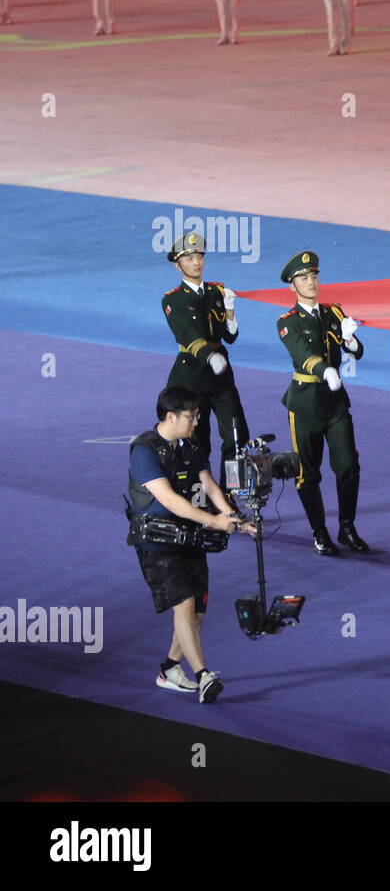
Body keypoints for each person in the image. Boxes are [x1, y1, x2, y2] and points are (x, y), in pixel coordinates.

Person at [127, 386, 255, 703]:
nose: (196, 421)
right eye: (191, 416)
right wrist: (213, 522)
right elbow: (170, 500)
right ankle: (203, 675)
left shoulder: (191, 444)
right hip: (157, 540)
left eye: (197, 415)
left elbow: (209, 486)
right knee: (183, 605)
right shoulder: (144, 451)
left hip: (190, 538)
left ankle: (170, 668)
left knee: (196, 614)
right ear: (171, 416)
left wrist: (235, 518)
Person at [275, 251, 368, 556]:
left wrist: (351, 341)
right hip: (305, 403)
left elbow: (356, 352)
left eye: (313, 276)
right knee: (308, 472)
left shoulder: (334, 313)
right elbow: (302, 353)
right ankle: (319, 532)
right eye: (303, 278)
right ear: (293, 286)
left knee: (348, 466)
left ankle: (347, 527)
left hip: (335, 403)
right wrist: (325, 370)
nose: (311, 282)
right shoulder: (287, 321)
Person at [161, 231, 251, 476]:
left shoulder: (216, 293)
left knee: (237, 435)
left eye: (199, 256)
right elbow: (187, 334)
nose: (196, 262)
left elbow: (229, 336)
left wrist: (230, 311)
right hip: (192, 376)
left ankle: (230, 497)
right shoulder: (174, 300)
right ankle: (199, 498)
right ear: (177, 266)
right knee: (196, 441)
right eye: (189, 258)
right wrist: (209, 356)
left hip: (221, 378)